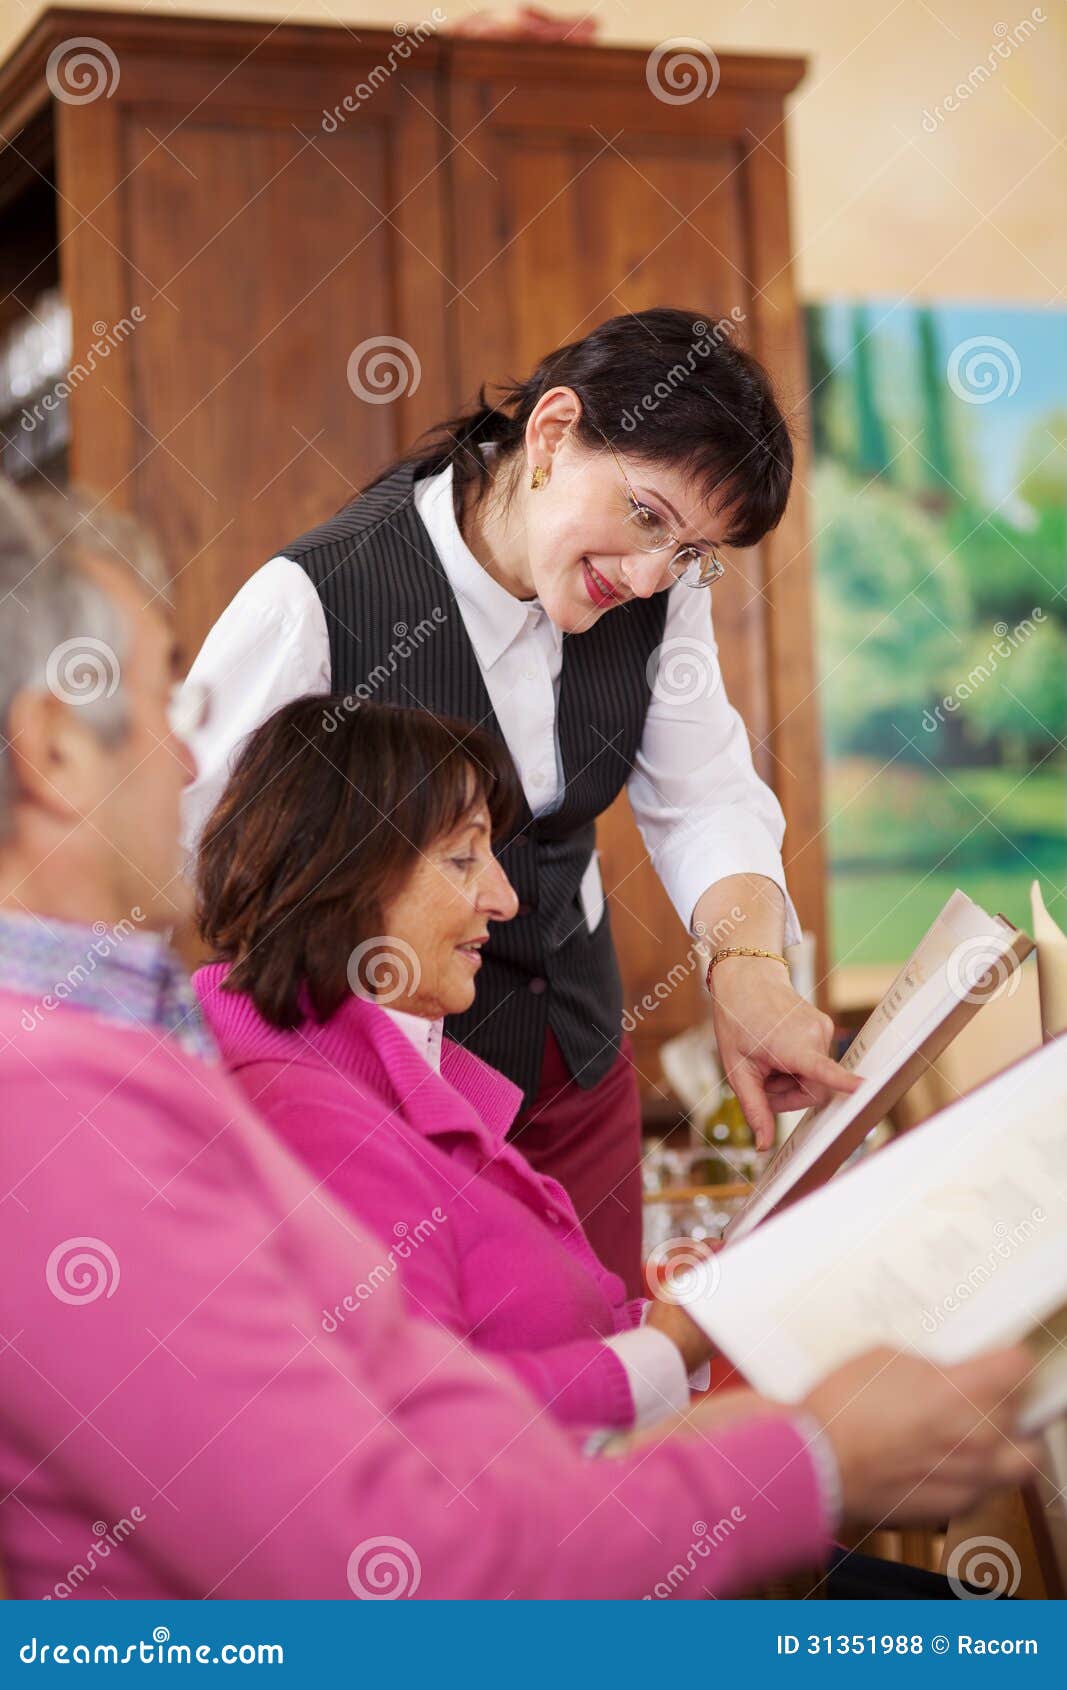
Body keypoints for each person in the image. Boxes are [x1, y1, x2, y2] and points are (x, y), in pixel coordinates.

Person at [0, 477, 1039, 1600]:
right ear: (54, 751)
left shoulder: (133, 1055)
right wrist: (812, 1456)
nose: (193, 760)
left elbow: (425, 1416)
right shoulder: (53, 1107)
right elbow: (407, 1568)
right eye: (163, 703)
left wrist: (683, 1359)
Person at [177, 307, 861, 1295]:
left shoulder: (656, 588)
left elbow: (703, 792)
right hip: (384, 1096)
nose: (651, 574)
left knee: (601, 1365)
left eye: (691, 553)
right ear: (548, 434)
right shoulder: (317, 598)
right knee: (441, 1399)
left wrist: (746, 971)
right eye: (646, 518)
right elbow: (189, 854)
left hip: (575, 1067)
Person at [193, 695, 714, 1431]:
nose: (502, 899)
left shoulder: (377, 1078)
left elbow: (553, 1331)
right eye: (464, 857)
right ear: (347, 872)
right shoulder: (306, 1117)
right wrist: (668, 1350)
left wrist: (702, 1319)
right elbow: (422, 1425)